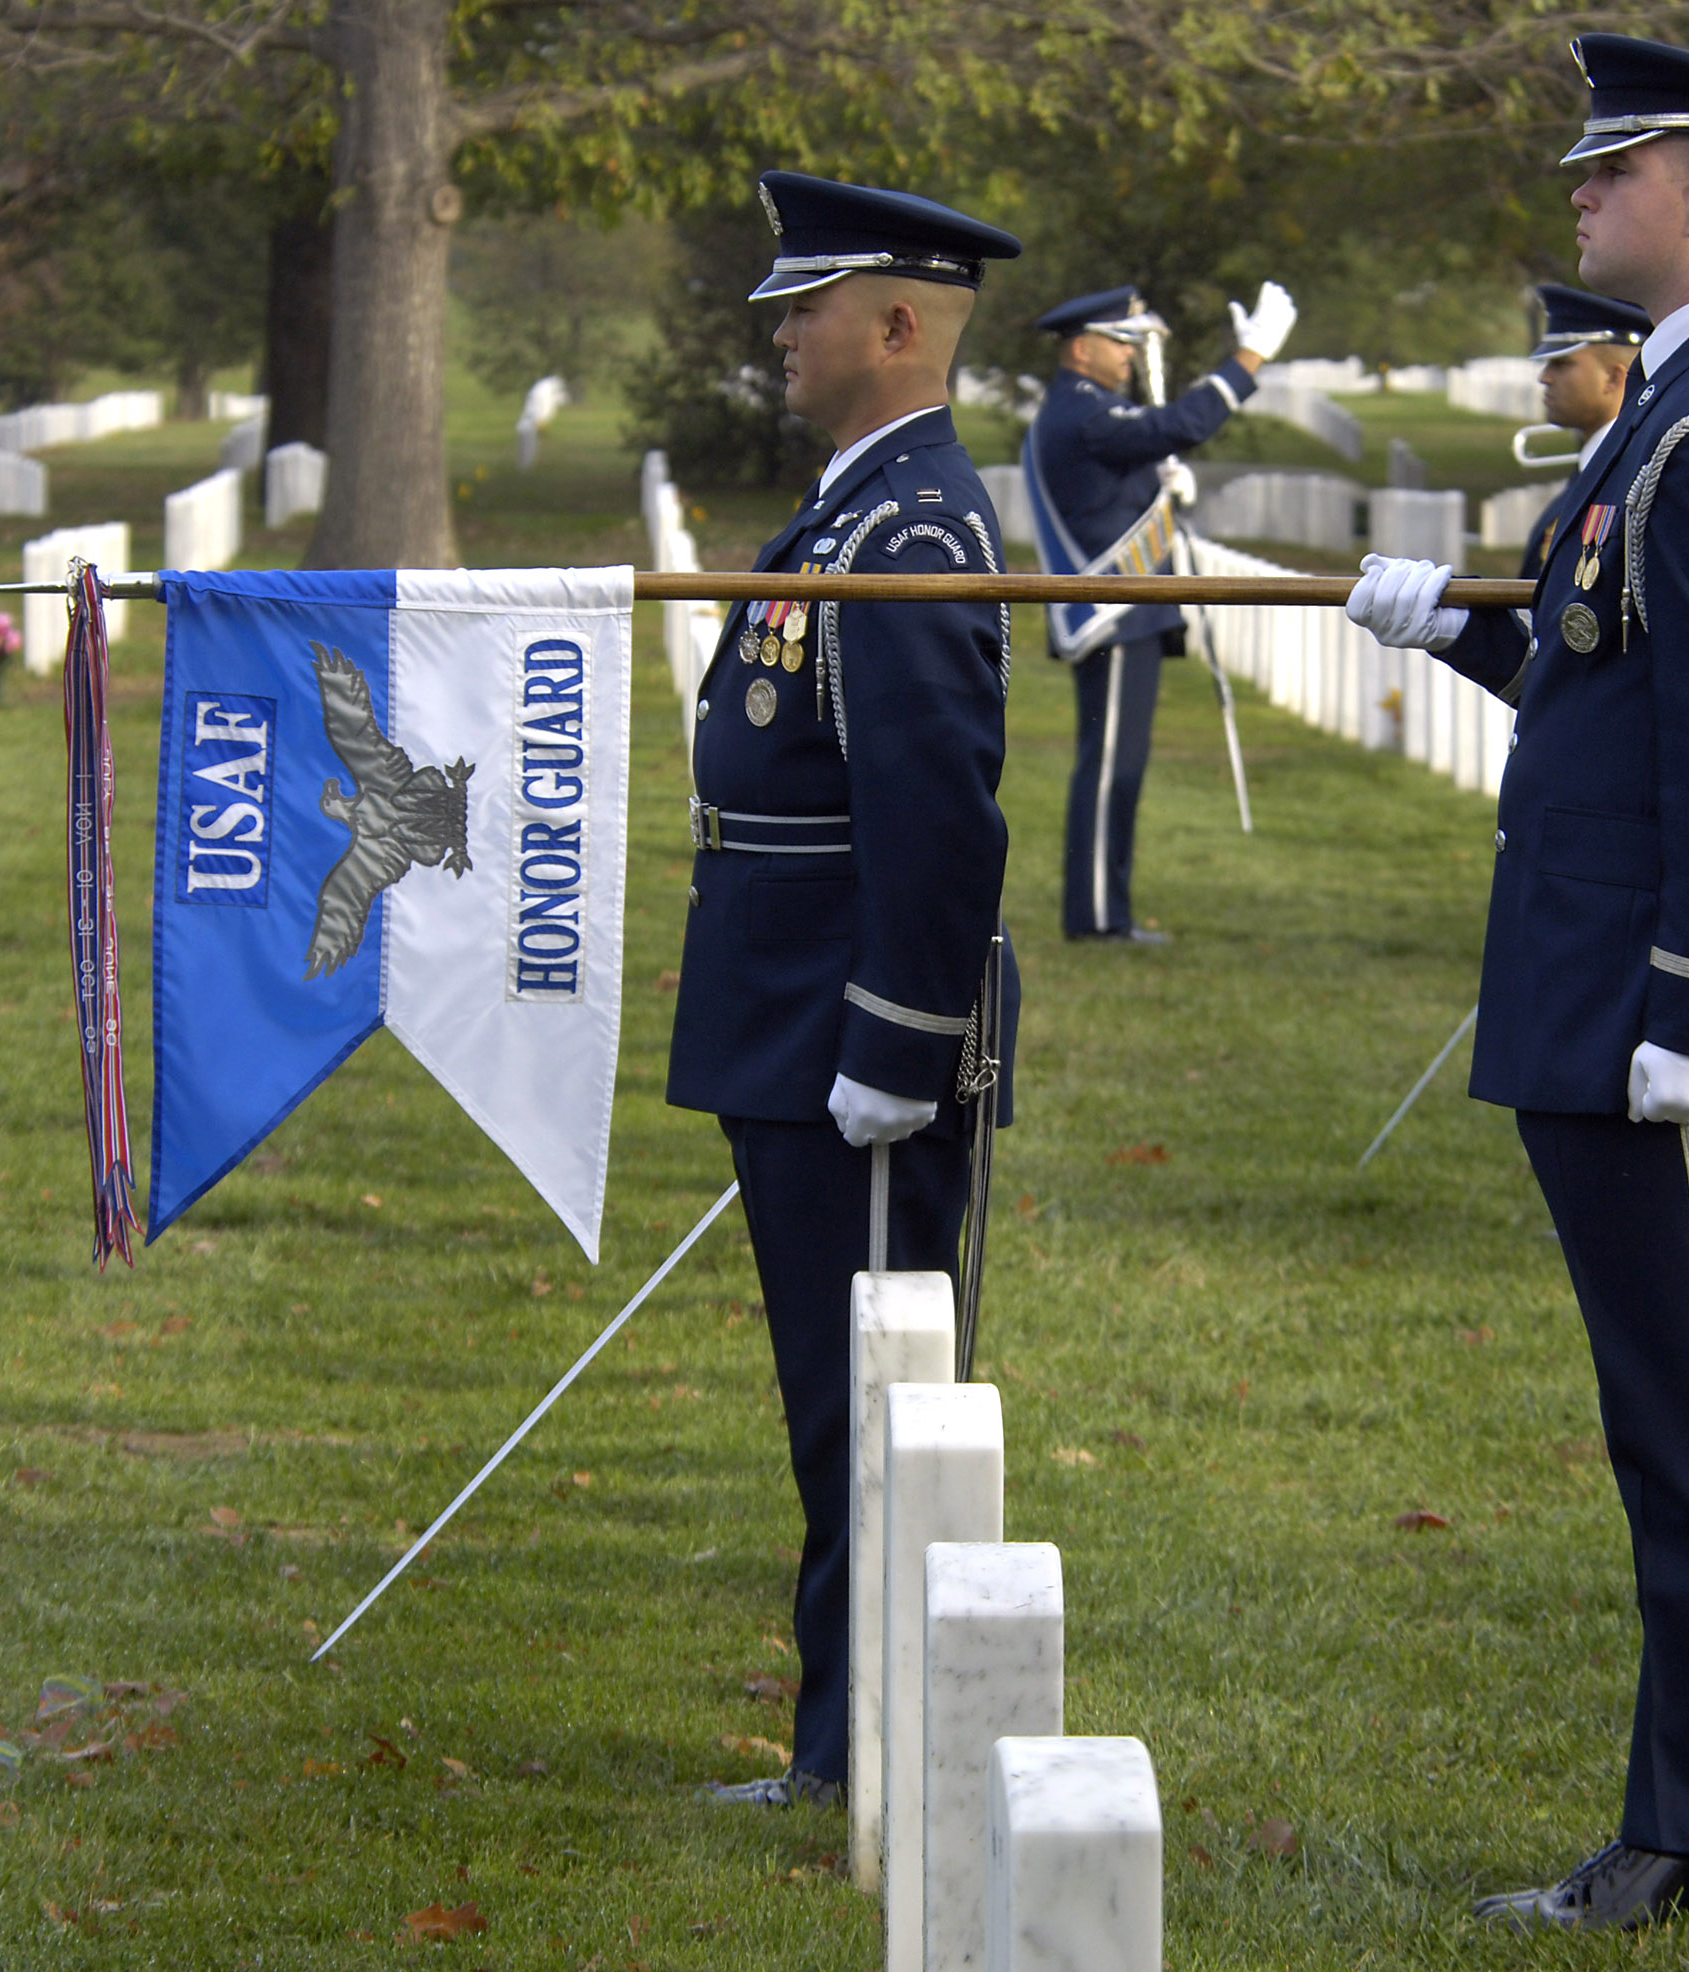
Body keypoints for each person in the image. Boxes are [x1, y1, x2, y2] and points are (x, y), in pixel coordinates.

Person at [1345, 32, 1689, 1932]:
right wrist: (1465, 631)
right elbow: (1616, 677)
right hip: (1600, 994)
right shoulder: (1674, 411)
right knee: (1668, 1427)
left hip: (1660, 1012)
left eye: (1610, 166)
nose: (1577, 188)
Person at [667, 171, 1022, 1808]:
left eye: (804, 307)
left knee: (871, 1406)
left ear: (893, 324)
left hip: (843, 1028)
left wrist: (899, 1041)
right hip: (788, 1006)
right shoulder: (853, 509)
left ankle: (862, 1752)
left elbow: (938, 812)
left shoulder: (913, 526)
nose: (780, 334)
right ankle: (844, 1738)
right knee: (836, 1398)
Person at [1027, 279, 1296, 942]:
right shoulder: (1084, 411)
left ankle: (1105, 912)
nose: (1130, 355)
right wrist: (1249, 359)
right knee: (1110, 769)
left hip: (1128, 613)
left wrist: (1159, 484)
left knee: (1121, 767)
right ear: (1082, 348)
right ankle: (1096, 918)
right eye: (1121, 342)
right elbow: (1179, 425)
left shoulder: (1088, 407)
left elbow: (1135, 460)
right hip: (1114, 612)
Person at [1450, 285, 1650, 689]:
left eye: (1562, 363)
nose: (1544, 377)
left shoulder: (1633, 483)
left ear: (1615, 377)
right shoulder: (1592, 472)